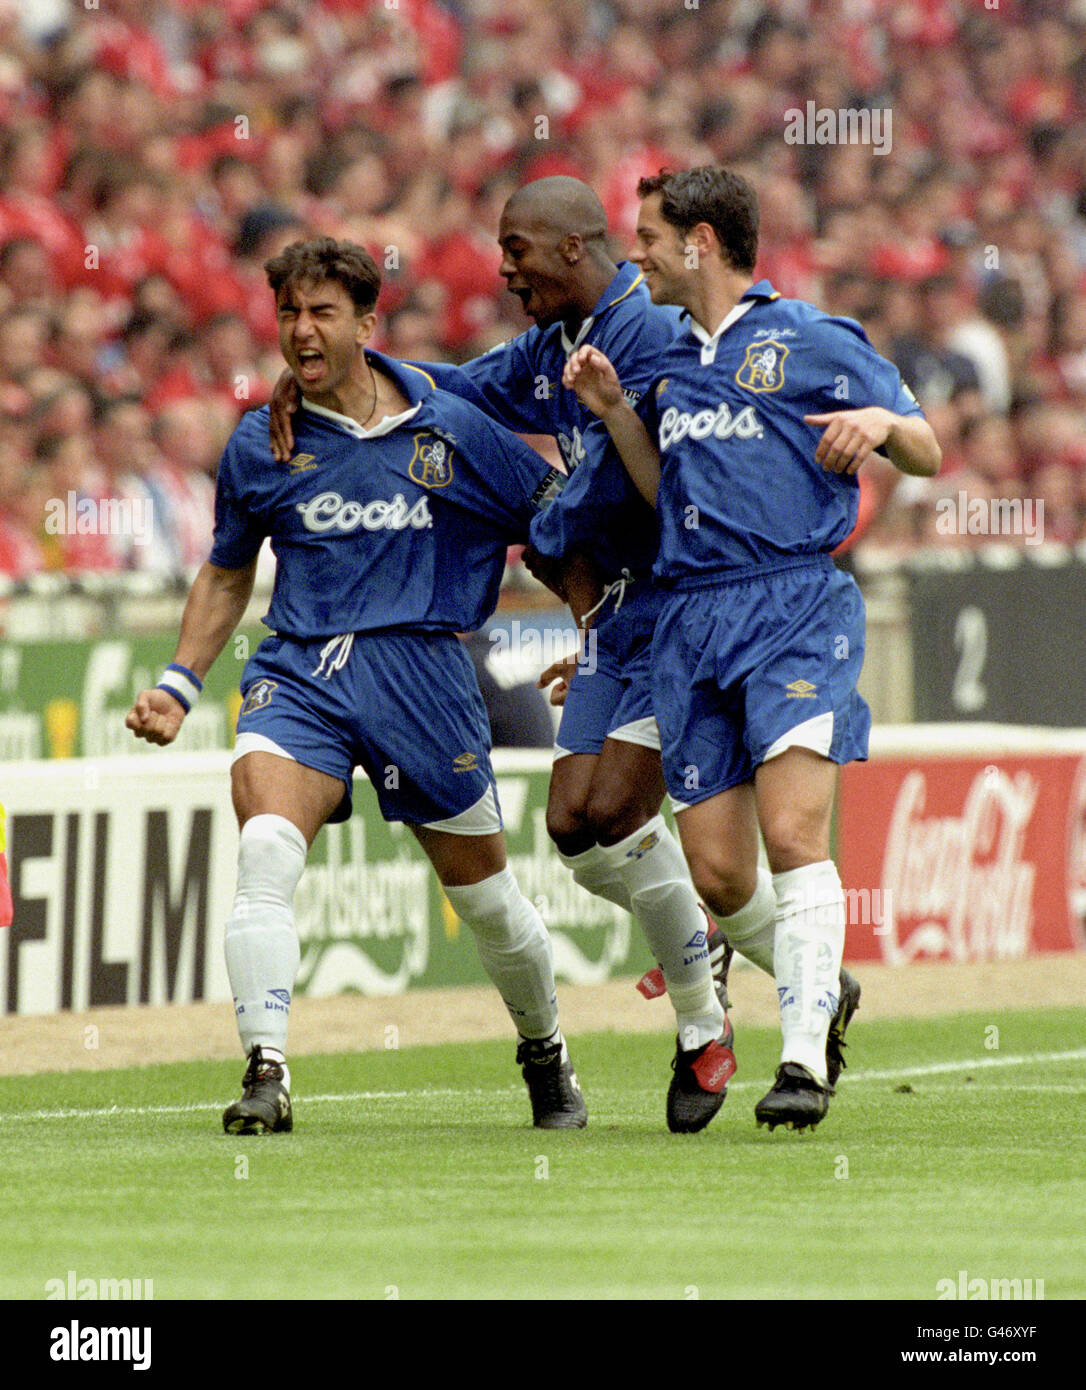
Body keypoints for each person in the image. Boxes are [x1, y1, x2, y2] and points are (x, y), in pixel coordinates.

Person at [270, 179, 736, 1134]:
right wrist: (332, 371)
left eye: (517, 249)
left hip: (683, 604)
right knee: (572, 826)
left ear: (571, 248)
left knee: (617, 813)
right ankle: (745, 954)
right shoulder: (548, 350)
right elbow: (452, 386)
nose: (504, 267)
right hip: (616, 613)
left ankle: (707, 1025)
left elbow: (669, 475)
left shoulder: (648, 334)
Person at [126, 236, 587, 1134]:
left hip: (424, 678)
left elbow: (562, 530)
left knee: (487, 902)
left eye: (321, 312)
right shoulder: (263, 441)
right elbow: (227, 570)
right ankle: (266, 1071)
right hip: (300, 668)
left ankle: (544, 1046)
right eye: (289, 313)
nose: (301, 331)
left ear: (368, 323)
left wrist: (603, 643)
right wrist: (181, 681)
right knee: (264, 849)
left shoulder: (453, 428)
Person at [563, 167, 941, 1131]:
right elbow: (661, 494)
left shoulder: (810, 337)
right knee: (721, 877)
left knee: (792, 836)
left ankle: (803, 1061)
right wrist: (615, 412)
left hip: (792, 609)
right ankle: (828, 990)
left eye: (647, 235)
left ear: (700, 242)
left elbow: (928, 448)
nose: (634, 252)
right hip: (693, 620)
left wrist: (884, 423)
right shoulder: (671, 364)